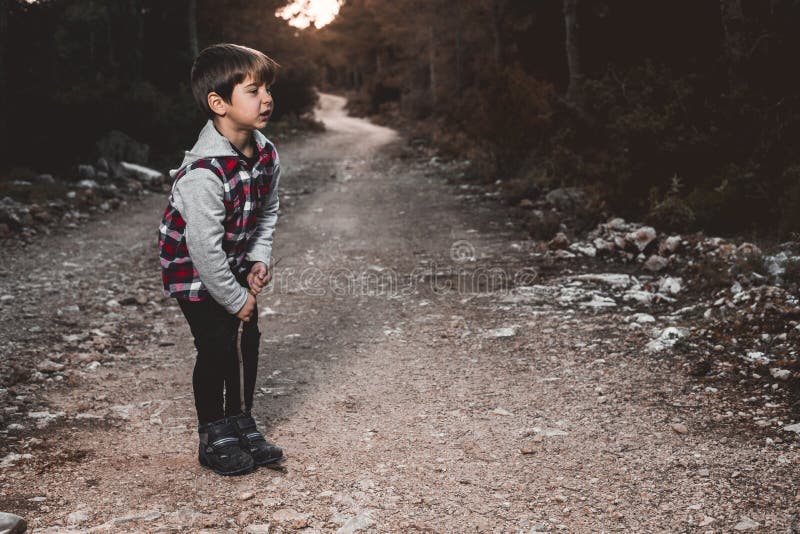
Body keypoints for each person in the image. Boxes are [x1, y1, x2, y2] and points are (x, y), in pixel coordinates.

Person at [158, 43, 283, 476]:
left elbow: (267, 210)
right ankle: (214, 433)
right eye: (253, 90)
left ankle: (241, 419)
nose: (266, 98)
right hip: (194, 270)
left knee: (245, 340)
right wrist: (234, 298)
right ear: (219, 103)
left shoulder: (265, 153)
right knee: (215, 344)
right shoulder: (204, 172)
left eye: (267, 88)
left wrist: (259, 256)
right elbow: (204, 249)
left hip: (232, 261)